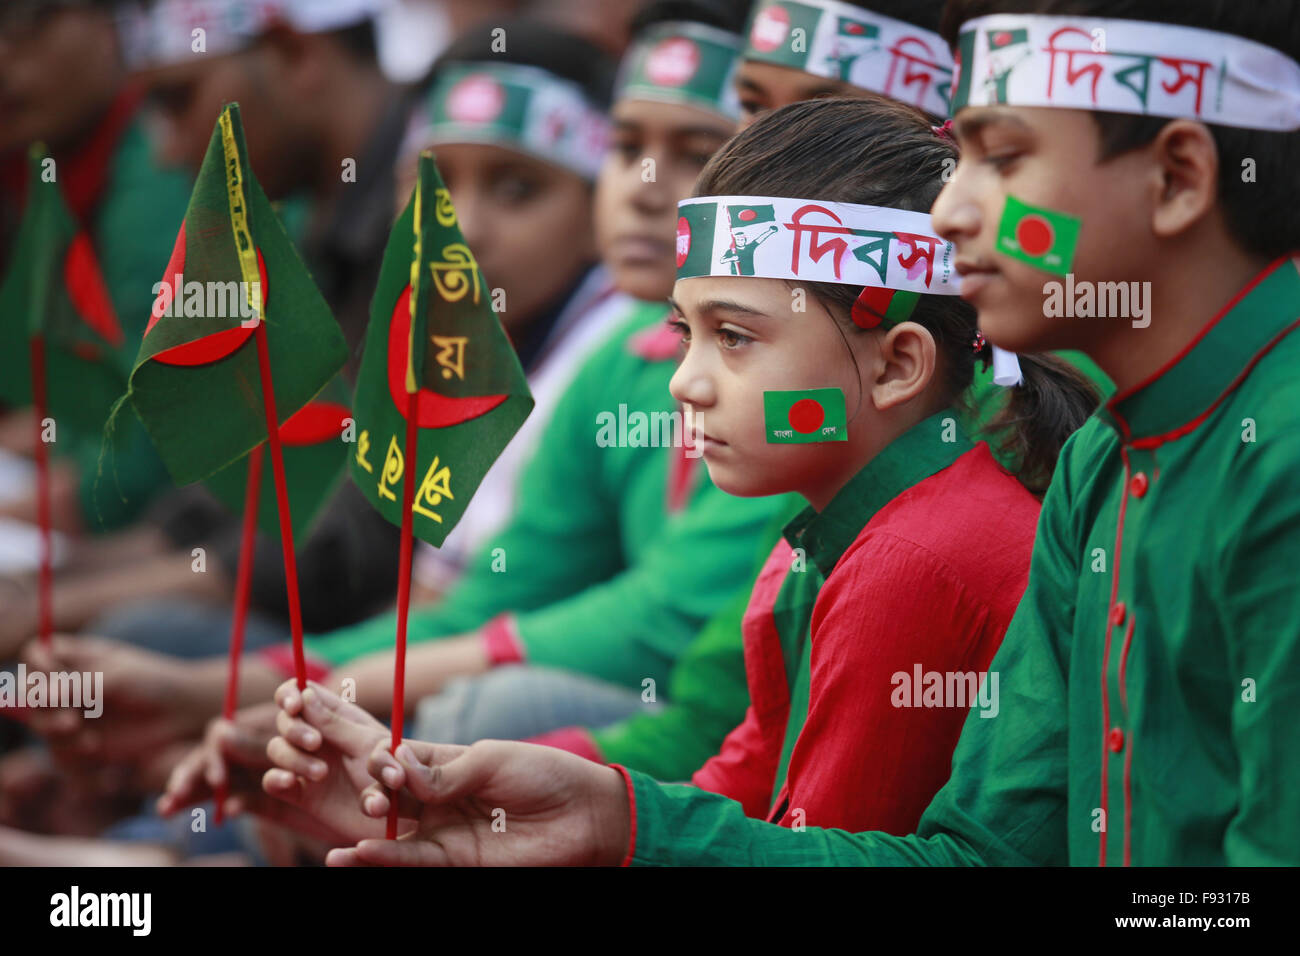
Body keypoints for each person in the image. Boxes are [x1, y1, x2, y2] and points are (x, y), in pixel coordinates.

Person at [291, 0, 1300, 867]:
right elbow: (987, 854)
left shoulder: (1273, 459)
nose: (947, 210)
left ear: (1175, 178)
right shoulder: (1097, 459)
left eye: (1000, 155)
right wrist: (612, 817)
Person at [261, 92, 1101, 849]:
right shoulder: (837, 526)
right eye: (683, 331)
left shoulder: (908, 561)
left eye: (733, 337)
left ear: (896, 367)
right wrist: (493, 818)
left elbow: (812, 844)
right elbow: (742, 791)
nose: (684, 382)